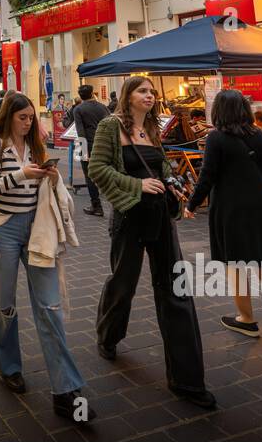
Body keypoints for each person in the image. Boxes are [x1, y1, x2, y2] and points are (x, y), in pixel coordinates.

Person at [89, 77, 214, 410]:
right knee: (123, 283)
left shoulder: (154, 130)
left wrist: (173, 184)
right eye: (142, 90)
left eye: (151, 91)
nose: (150, 95)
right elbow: (97, 169)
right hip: (130, 218)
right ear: (128, 96)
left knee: (176, 290)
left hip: (160, 218)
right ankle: (108, 335)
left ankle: (188, 380)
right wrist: (137, 186)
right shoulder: (109, 127)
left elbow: (161, 168)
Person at [0, 92, 93, 422]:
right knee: (5, 304)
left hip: (38, 229)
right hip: (4, 230)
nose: (29, 123)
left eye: (31, 118)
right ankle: (9, 365)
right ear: (8, 116)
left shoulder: (36, 144)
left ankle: (65, 390)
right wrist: (22, 175)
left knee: (50, 307)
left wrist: (50, 176)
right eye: (22, 118)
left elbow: (44, 183)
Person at [185, 90, 262, 343]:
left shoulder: (216, 138)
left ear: (219, 111)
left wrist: (192, 204)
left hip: (230, 206)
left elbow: (206, 176)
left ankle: (246, 319)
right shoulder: (261, 136)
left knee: (235, 263)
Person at [70, 84, 111, 216]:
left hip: (89, 145)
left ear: (80, 96)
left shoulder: (78, 109)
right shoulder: (103, 107)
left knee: (90, 176)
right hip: (105, 144)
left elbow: (80, 132)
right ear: (93, 93)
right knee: (108, 172)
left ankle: (96, 205)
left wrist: (83, 152)